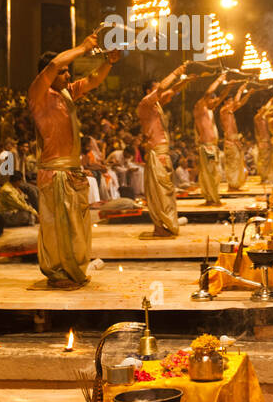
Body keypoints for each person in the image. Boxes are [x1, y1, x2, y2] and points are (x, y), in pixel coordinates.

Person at [28, 32, 118, 286]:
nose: (68, 75)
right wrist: (81, 47)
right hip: (53, 172)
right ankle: (57, 273)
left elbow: (92, 80)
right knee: (56, 227)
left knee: (77, 226)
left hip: (71, 171)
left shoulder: (65, 93)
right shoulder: (38, 93)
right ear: (47, 74)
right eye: (64, 72)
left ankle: (74, 269)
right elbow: (55, 64)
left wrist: (108, 62)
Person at [136, 62, 190, 238]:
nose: (159, 90)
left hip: (162, 152)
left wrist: (185, 80)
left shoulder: (156, 105)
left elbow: (172, 91)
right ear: (148, 91)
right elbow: (163, 89)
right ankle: (160, 226)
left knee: (166, 192)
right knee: (160, 193)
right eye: (156, 88)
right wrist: (176, 71)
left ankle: (164, 225)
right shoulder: (145, 104)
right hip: (157, 152)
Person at [191, 72, 229, 207]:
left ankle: (212, 197)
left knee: (215, 174)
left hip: (213, 146)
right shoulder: (200, 107)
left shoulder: (209, 110)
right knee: (209, 174)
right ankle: (211, 198)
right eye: (213, 99)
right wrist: (219, 79)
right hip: (206, 146)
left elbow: (219, 98)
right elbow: (209, 92)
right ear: (207, 99)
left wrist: (229, 87)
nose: (215, 102)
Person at [219, 82, 252, 192]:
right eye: (231, 100)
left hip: (235, 141)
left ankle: (235, 185)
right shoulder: (223, 110)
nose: (233, 102)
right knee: (232, 164)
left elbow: (240, 103)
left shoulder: (230, 111)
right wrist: (240, 90)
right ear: (226, 102)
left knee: (237, 164)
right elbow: (238, 102)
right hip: (230, 142)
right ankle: (232, 186)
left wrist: (248, 94)